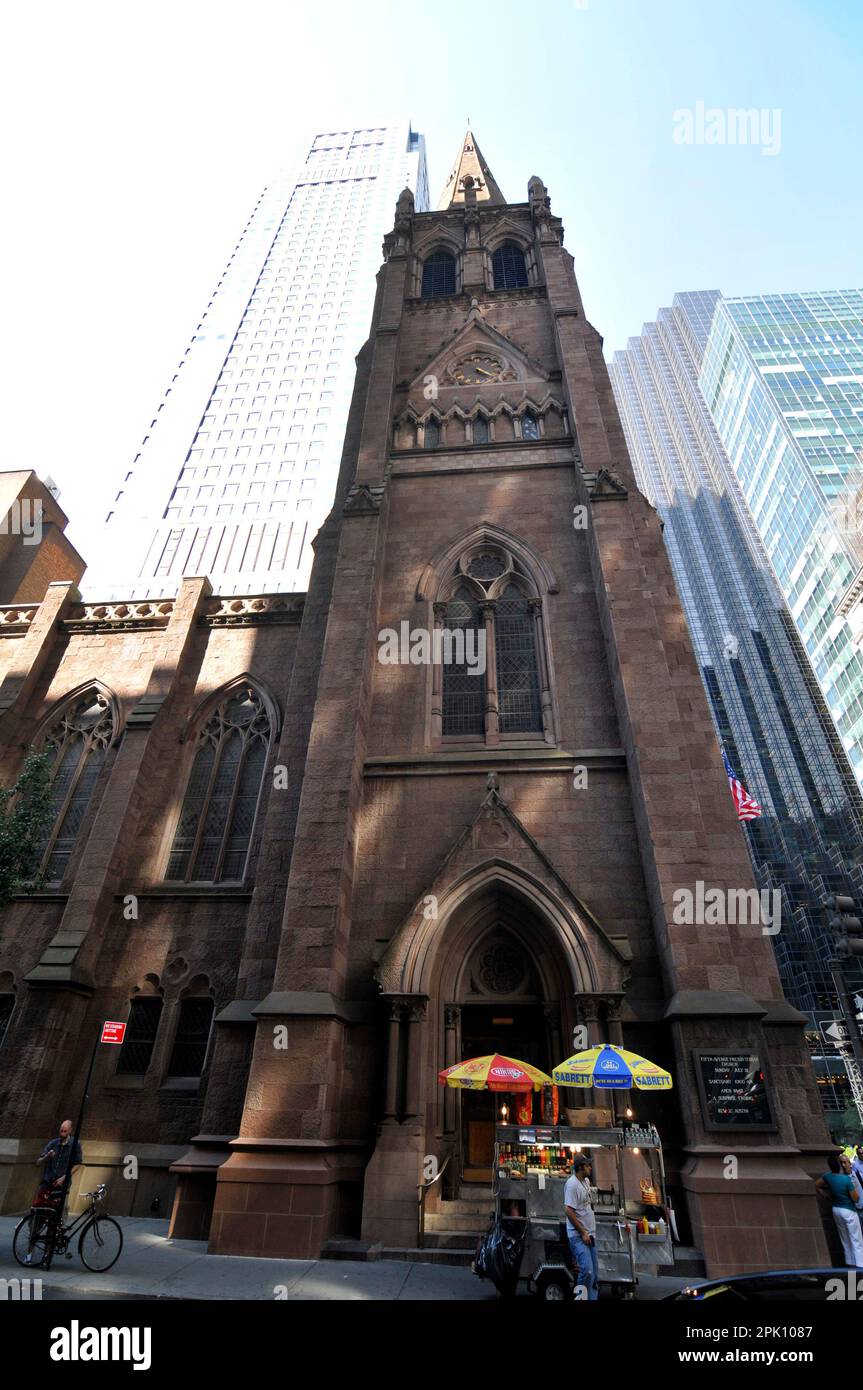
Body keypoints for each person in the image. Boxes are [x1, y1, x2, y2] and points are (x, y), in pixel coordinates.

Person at [816, 1155, 863, 1267]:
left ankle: (849, 1263)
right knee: (856, 1239)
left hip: (836, 1209)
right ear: (840, 1166)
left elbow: (816, 1184)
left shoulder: (828, 1176)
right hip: (849, 1210)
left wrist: (826, 1196)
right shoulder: (846, 1179)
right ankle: (860, 1265)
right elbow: (855, 1198)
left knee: (845, 1238)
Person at [564, 1154, 598, 1300]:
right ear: (580, 1167)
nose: (590, 1167)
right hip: (579, 1236)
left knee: (594, 1273)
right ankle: (580, 1298)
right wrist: (583, 1232)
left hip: (590, 1234)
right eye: (587, 1165)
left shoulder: (586, 1181)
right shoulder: (572, 1185)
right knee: (587, 1271)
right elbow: (568, 1210)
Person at [35, 1119, 82, 1206]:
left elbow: (78, 1164)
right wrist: (47, 1156)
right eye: (61, 1130)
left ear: (70, 1131)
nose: (62, 1133)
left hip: (62, 1185)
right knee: (39, 1209)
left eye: (65, 1131)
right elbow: (38, 1163)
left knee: (56, 1212)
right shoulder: (53, 1143)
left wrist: (64, 1177)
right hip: (47, 1182)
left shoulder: (75, 1144)